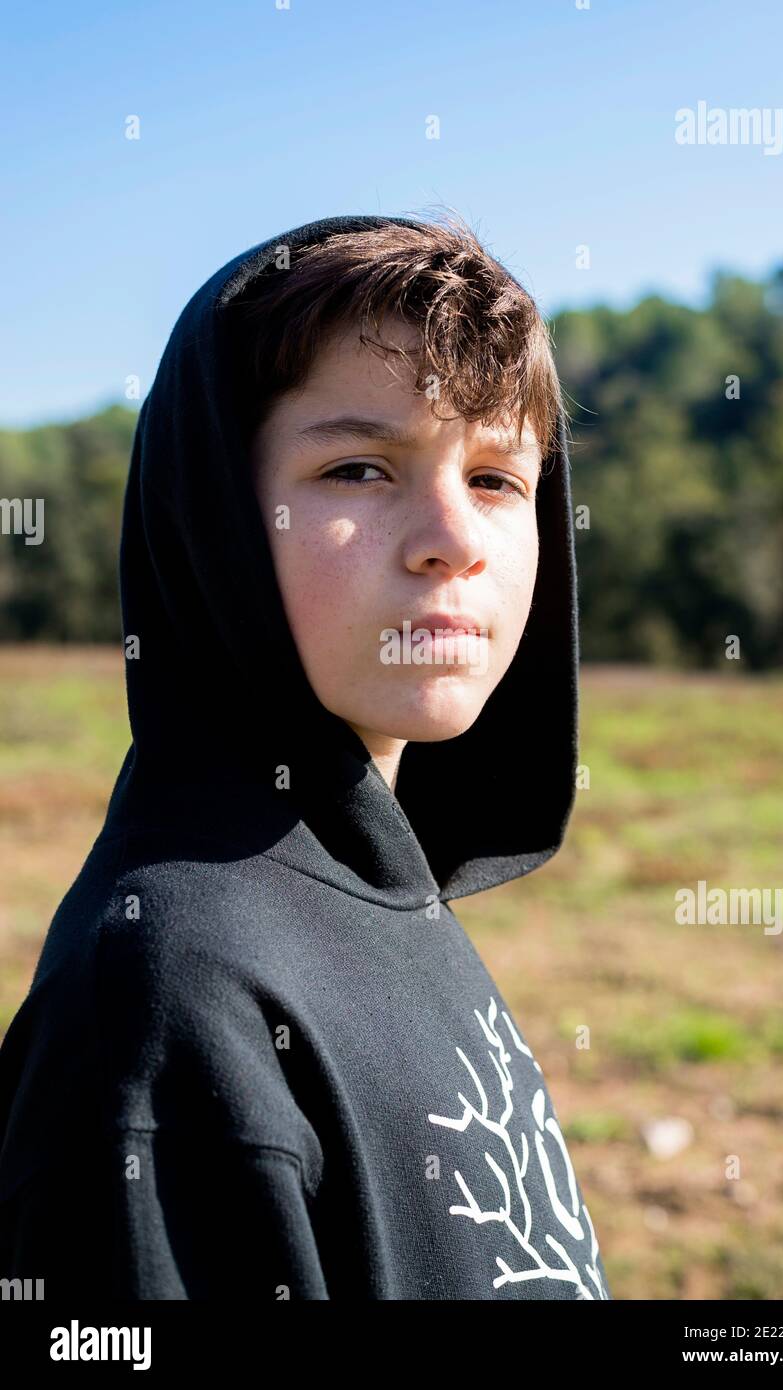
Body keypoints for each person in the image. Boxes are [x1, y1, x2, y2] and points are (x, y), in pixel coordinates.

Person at [0, 211, 612, 1301]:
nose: (451, 539)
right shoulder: (166, 997)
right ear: (217, 516)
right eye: (360, 468)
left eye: (495, 479)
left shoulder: (382, 885)